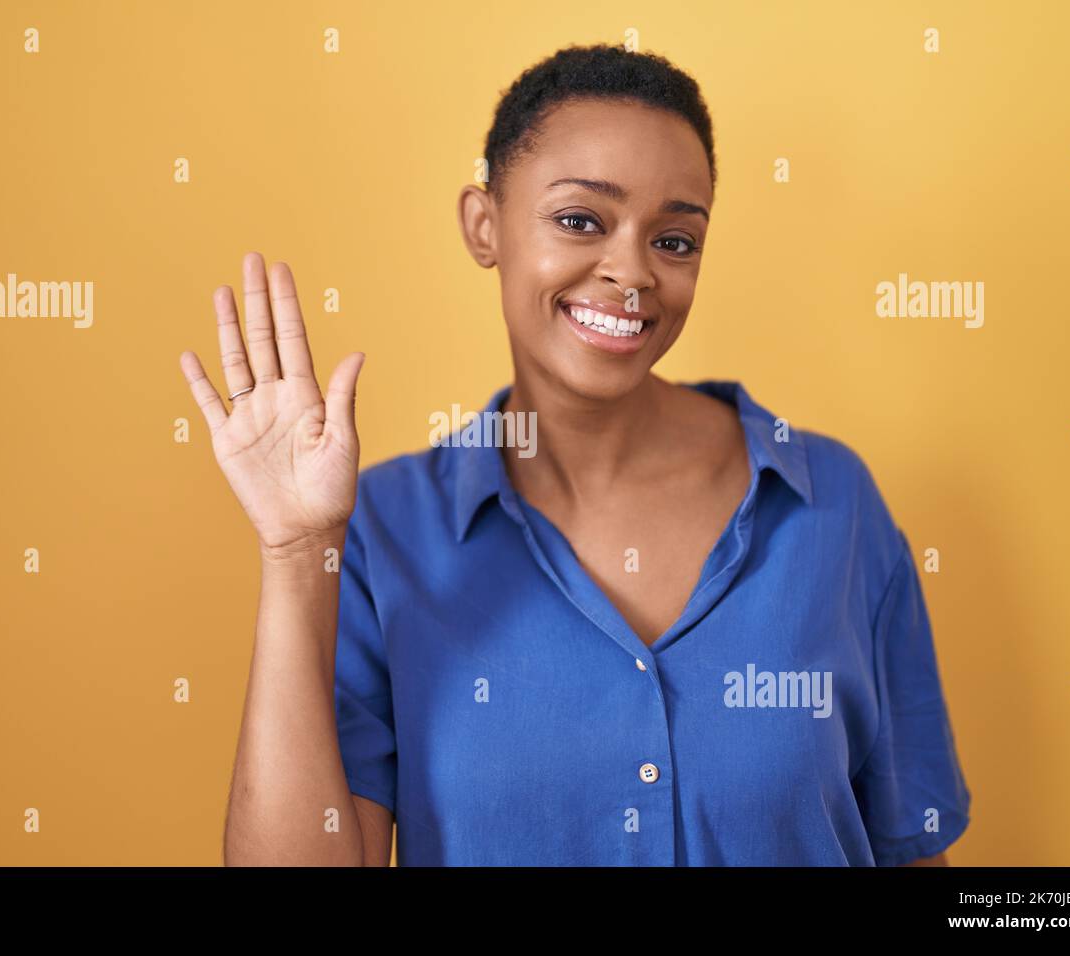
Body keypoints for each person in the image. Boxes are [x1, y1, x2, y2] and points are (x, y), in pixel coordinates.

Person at [179, 43, 971, 866]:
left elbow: (912, 853)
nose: (630, 272)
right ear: (483, 225)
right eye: (581, 220)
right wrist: (298, 549)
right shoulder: (381, 533)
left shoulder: (831, 504)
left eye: (674, 240)